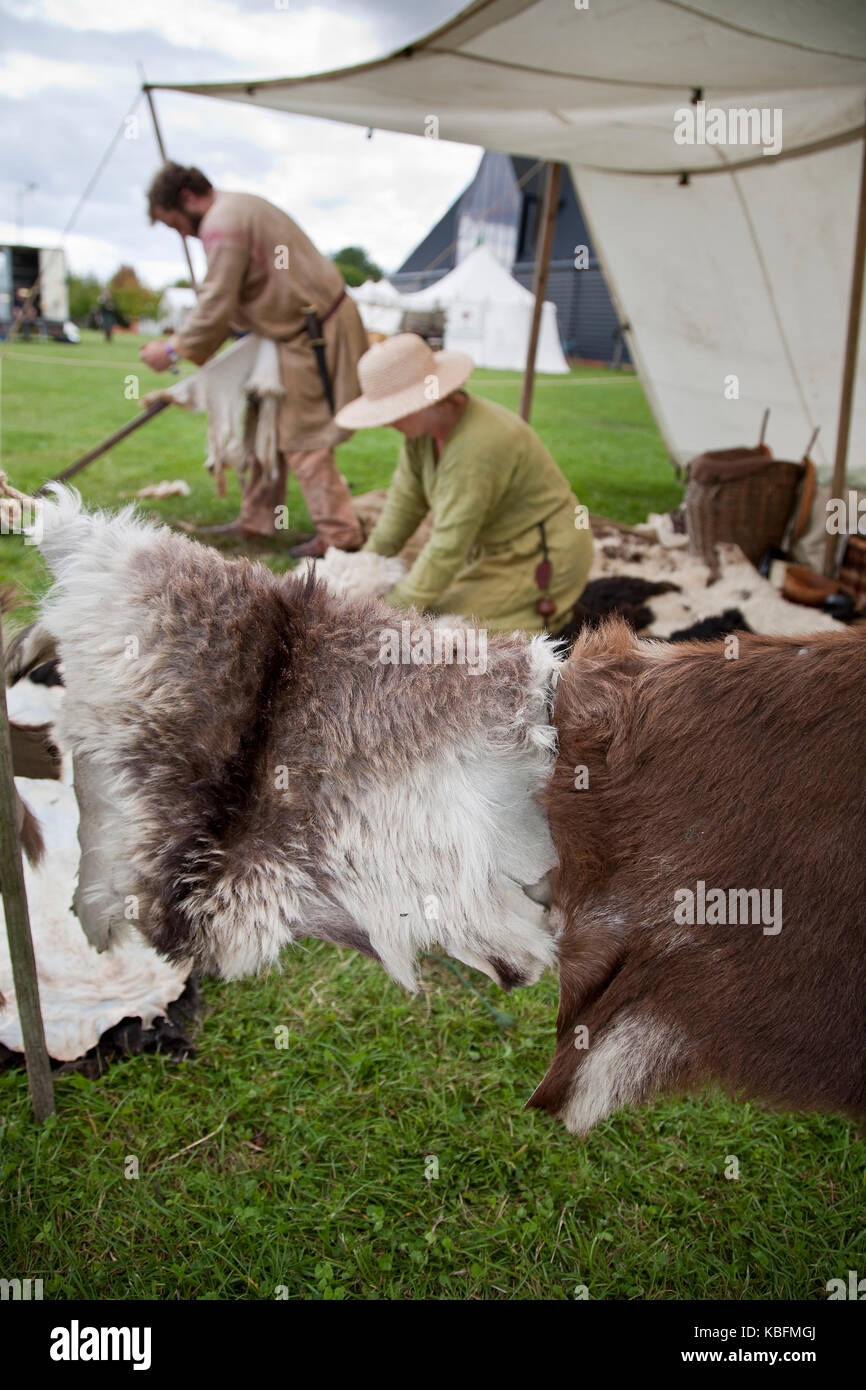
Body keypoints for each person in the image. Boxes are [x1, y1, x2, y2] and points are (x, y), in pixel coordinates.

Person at [141, 162, 367, 554]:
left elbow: (217, 301)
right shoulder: (236, 210)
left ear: (187, 198)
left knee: (304, 437)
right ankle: (259, 520)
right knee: (266, 426)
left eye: (174, 223)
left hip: (310, 336)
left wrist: (173, 349)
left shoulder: (222, 222)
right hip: (288, 337)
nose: (181, 233)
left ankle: (341, 536)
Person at [335, 333, 593, 634]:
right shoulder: (421, 437)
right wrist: (364, 568)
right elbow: (403, 505)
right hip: (489, 550)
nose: (384, 422)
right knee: (427, 605)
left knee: (444, 624)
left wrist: (391, 611)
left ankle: (550, 614)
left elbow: (448, 545)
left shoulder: (477, 445)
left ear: (423, 400)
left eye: (390, 411)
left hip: (542, 555)